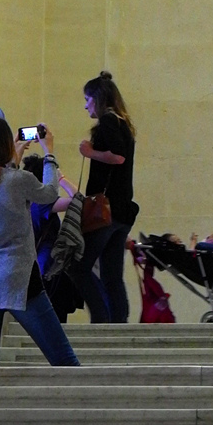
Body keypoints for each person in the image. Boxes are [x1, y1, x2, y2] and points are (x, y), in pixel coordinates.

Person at [0, 116, 78, 366]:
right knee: (63, 358)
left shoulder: (9, 179)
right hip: (19, 275)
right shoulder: (18, 180)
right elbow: (49, 193)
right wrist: (49, 153)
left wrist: (12, 158)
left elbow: (0, 185)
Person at [68, 71, 138, 323]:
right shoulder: (123, 123)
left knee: (78, 267)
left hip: (105, 210)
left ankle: (101, 319)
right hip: (122, 211)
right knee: (111, 275)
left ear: (97, 98)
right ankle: (118, 325)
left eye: (88, 99)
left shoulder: (108, 121)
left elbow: (117, 157)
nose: (86, 105)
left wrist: (90, 152)